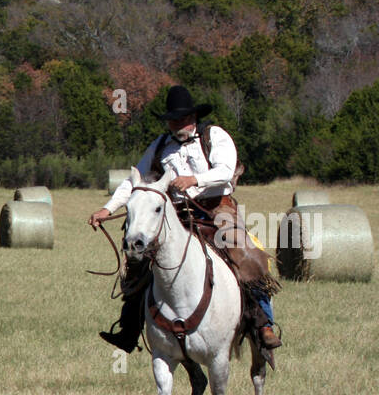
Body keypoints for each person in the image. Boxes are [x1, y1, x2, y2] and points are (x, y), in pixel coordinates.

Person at [87, 85, 281, 353]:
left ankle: (263, 324)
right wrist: (108, 208)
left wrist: (195, 179)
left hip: (216, 208)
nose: (176, 124)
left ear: (193, 118)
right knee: (138, 260)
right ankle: (129, 328)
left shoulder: (214, 136)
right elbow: (136, 182)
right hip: (175, 213)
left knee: (244, 251)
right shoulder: (159, 146)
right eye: (172, 119)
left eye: (181, 118)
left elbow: (225, 170)